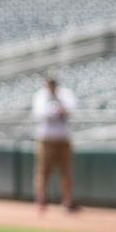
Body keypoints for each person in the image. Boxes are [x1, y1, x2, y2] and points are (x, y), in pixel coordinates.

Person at [30, 74, 77, 213]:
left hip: (63, 139)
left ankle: (67, 201)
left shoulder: (65, 94)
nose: (52, 85)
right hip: (46, 139)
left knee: (66, 171)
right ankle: (41, 200)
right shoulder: (40, 96)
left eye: (54, 83)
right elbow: (42, 113)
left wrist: (60, 110)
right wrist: (57, 112)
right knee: (43, 171)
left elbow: (71, 110)